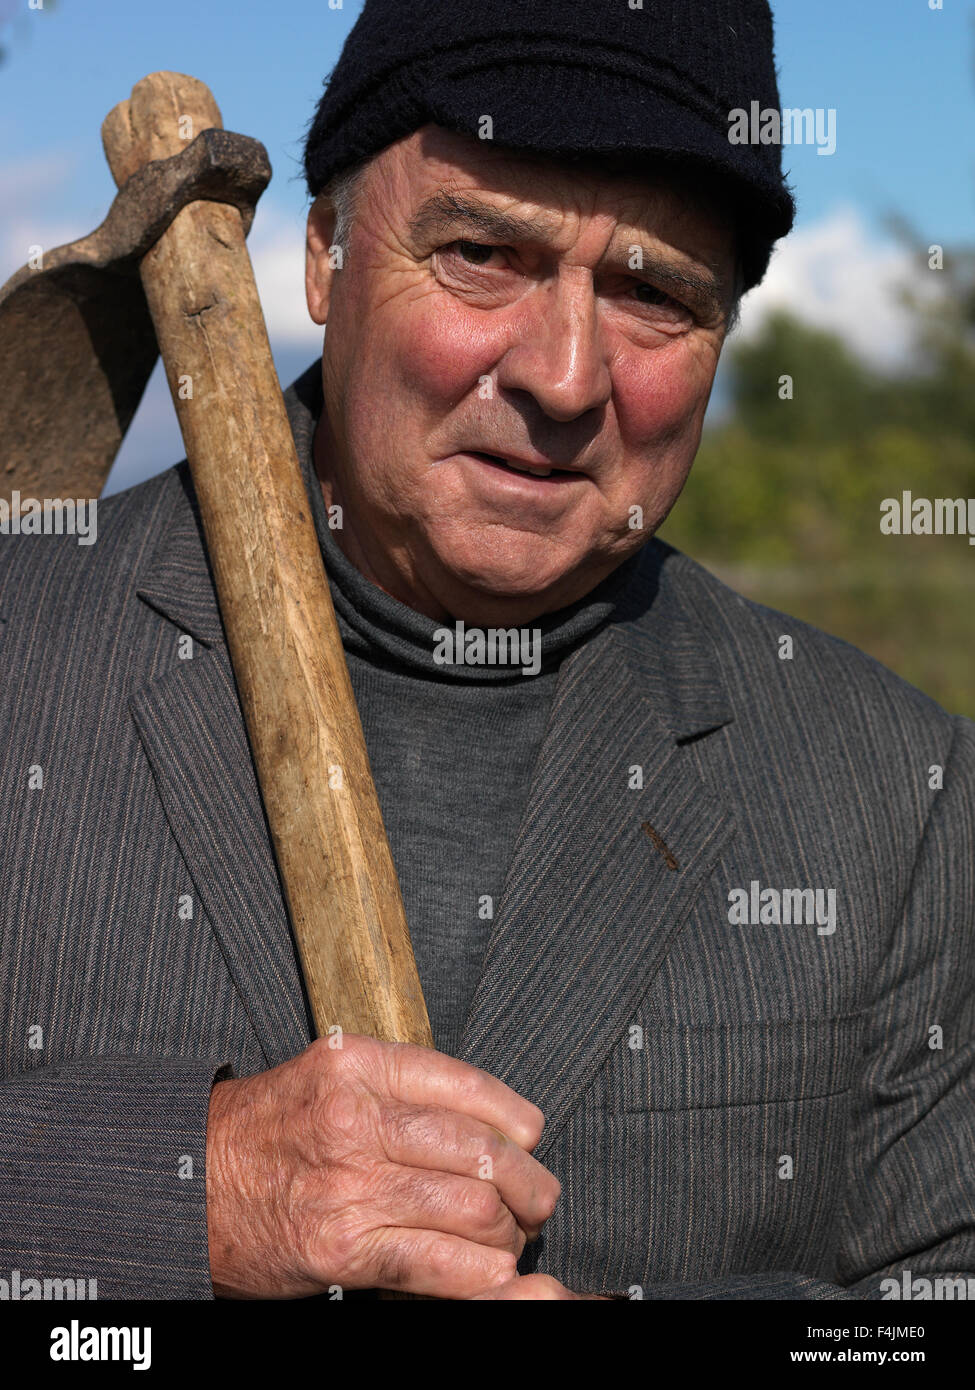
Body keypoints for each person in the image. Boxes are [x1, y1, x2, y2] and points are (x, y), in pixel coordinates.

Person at [1, 0, 973, 1301]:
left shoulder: (899, 794)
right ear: (326, 257)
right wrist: (196, 1183)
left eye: (652, 292)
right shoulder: (22, 656)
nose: (567, 377)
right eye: (483, 254)